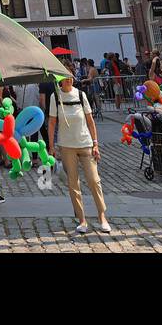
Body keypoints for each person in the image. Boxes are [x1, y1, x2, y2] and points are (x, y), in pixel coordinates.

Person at [48, 72, 110, 234]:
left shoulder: (81, 95)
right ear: (59, 80)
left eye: (70, 76)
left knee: (94, 180)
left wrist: (95, 143)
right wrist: (51, 146)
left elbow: (90, 121)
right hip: (66, 145)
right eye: (64, 77)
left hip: (85, 144)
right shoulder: (55, 97)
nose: (68, 79)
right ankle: (82, 219)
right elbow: (52, 122)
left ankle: (102, 216)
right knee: (73, 183)